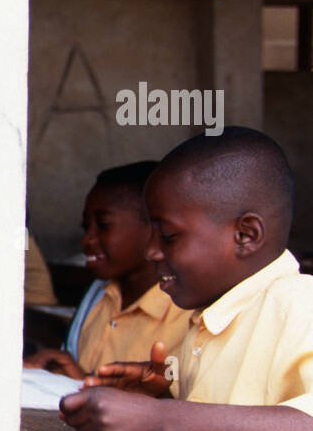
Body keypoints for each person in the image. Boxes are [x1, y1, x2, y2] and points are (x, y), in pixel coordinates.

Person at [60, 127, 313, 431]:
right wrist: (161, 396)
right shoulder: (208, 320)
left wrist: (162, 417)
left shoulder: (307, 303)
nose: (151, 251)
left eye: (168, 236)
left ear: (245, 235)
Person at [26, 161, 192, 378]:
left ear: (153, 228)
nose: (87, 239)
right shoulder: (98, 292)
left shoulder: (186, 313)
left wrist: (87, 384)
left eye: (103, 225)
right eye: (86, 227)